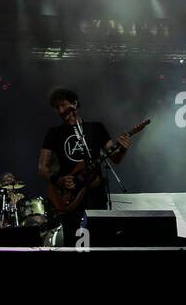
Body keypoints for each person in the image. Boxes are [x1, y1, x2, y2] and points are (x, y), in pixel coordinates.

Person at [37, 86, 130, 244]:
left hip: (96, 195)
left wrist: (123, 149)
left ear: (75, 103)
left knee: (101, 242)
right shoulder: (54, 133)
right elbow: (42, 168)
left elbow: (115, 158)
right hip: (70, 196)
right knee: (73, 243)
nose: (61, 110)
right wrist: (58, 180)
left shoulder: (96, 128)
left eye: (63, 105)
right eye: (57, 107)